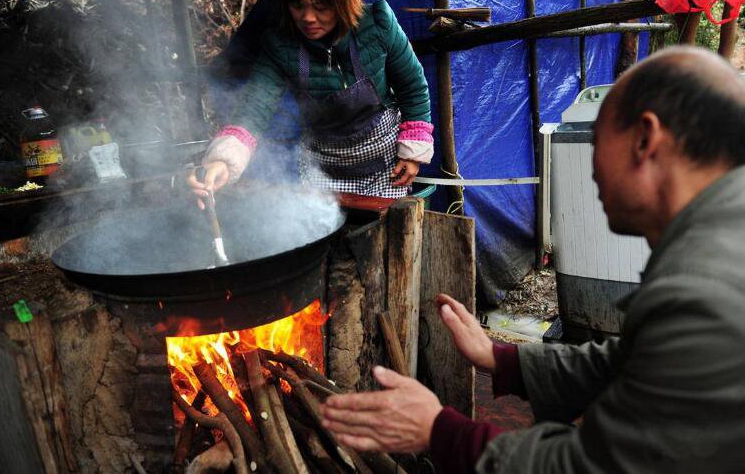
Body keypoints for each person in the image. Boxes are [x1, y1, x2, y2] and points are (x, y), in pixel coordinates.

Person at [319, 46, 745, 473]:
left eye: (597, 143)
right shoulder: (720, 236)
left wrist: (440, 431)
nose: (592, 169)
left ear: (645, 140)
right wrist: (502, 359)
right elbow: (633, 361)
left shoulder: (707, 292)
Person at [188, 0, 434, 205]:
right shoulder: (280, 45)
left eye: (320, 7)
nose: (307, 18)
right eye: (298, 5)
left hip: (383, 166)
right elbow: (255, 107)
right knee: (326, 234)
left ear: (342, 0)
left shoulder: (378, 24)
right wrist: (223, 160)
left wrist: (412, 153)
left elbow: (413, 87)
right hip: (321, 168)